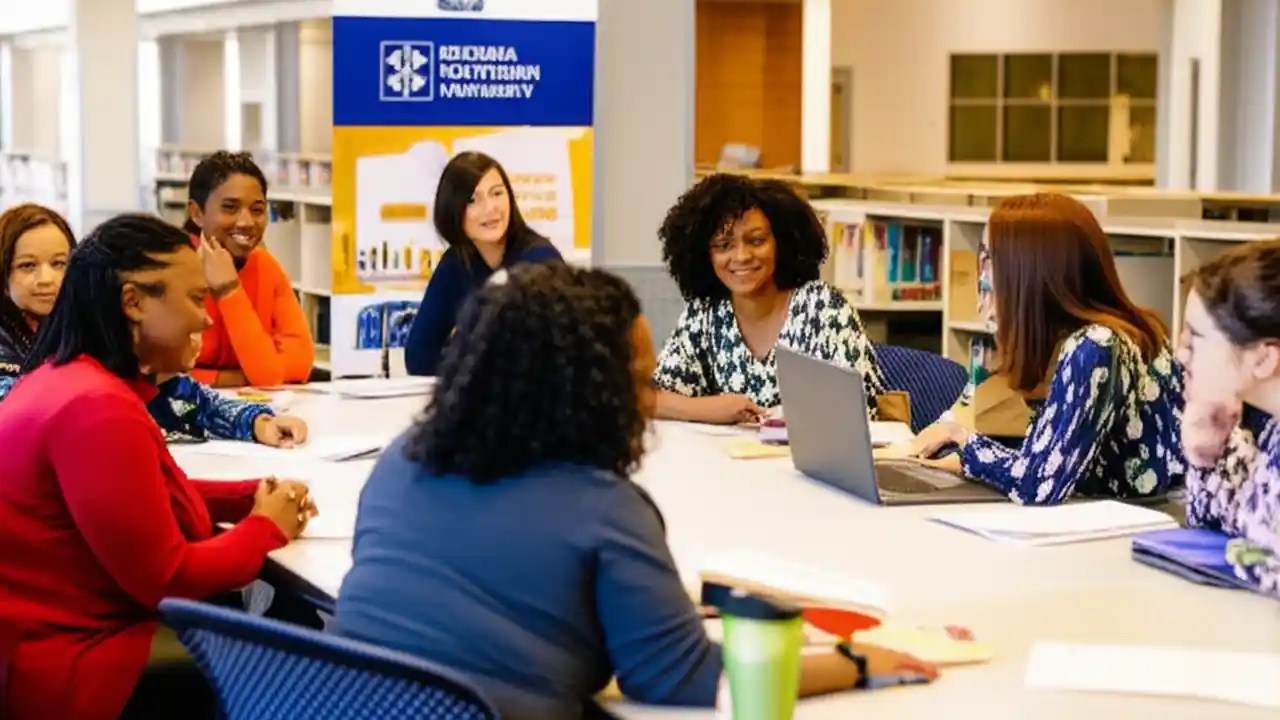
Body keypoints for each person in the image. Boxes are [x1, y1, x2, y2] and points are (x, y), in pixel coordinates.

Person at [336, 263, 937, 720]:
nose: (646, 402)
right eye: (638, 379)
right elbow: (681, 679)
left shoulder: (399, 464)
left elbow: (488, 586)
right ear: (590, 390)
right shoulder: (604, 510)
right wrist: (854, 663)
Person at [0, 214, 317, 720]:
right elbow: (168, 576)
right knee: (294, 652)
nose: (208, 318)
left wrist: (245, 494)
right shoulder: (95, 409)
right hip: (82, 662)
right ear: (133, 303)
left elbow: (135, 500)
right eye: (195, 299)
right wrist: (264, 529)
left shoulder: (69, 379)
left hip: (47, 639)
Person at [910, 193, 1184, 505]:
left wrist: (965, 445)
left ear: (1030, 278)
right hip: (1110, 513)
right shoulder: (1087, 339)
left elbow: (1038, 485)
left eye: (991, 276)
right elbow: (1044, 454)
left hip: (1147, 525)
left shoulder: (1096, 347)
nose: (982, 301)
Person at [0, 203, 307, 446]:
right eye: (27, 266)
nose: (47, 279)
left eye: (59, 263)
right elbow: (29, 412)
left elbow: (185, 396)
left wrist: (256, 422)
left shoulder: (90, 326)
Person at [652, 174, 885, 425]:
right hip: (725, 462)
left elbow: (859, 411)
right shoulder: (704, 315)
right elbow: (649, 398)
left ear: (782, 243)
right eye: (723, 245)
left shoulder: (822, 308)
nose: (741, 256)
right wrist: (710, 409)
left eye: (756, 241)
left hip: (812, 463)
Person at [1179, 239, 1280, 597]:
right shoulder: (1270, 432)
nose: (1181, 354)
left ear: (1264, 359)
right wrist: (1205, 459)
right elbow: (1207, 528)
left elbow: (1265, 559)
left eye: (1197, 339)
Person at [403, 151, 563, 376]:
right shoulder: (456, 263)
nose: (490, 208)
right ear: (453, 210)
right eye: (472, 200)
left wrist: (464, 354)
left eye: (497, 193)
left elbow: (541, 358)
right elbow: (419, 356)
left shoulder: (539, 261)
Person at [184, 151, 314, 387]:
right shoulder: (170, 271)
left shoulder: (267, 267)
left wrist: (229, 291)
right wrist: (244, 378)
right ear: (197, 213)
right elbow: (158, 378)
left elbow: (299, 365)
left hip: (257, 413)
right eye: (230, 208)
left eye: (257, 210)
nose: (246, 222)